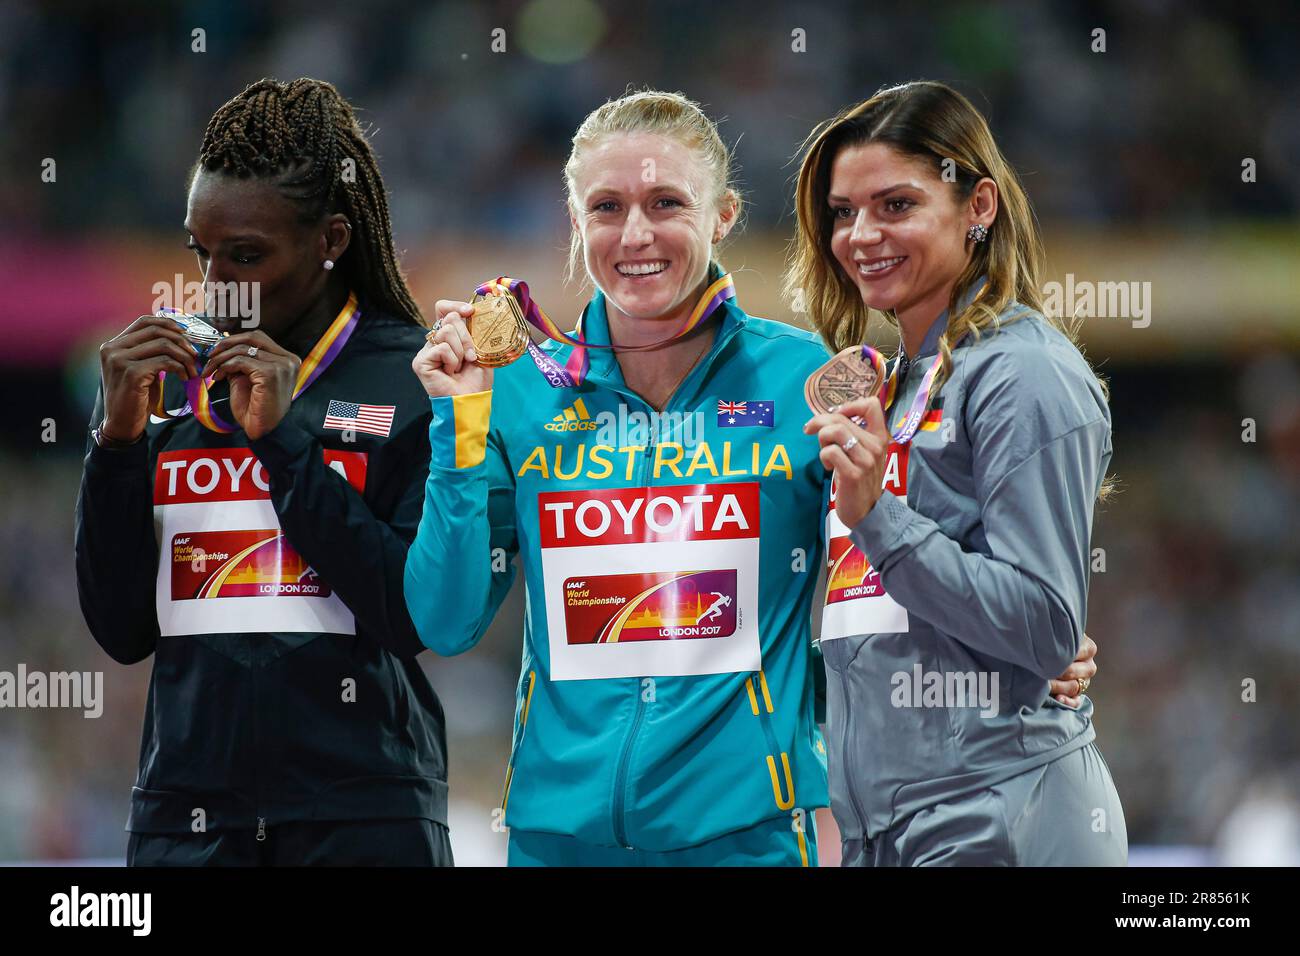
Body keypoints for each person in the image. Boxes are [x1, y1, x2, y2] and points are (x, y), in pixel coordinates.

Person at [404, 88, 1097, 866]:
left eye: (667, 202)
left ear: (724, 215)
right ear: (576, 223)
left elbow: (888, 589)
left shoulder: (811, 382)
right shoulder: (517, 394)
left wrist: (1035, 649)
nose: (637, 233)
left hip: (750, 842)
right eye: (606, 207)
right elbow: (445, 618)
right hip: (555, 840)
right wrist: (457, 427)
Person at [75, 78, 452, 866]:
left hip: (363, 818)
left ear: (333, 239)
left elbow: (411, 617)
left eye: (246, 256)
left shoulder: (416, 378)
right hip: (185, 823)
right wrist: (113, 447)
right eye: (201, 252)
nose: (217, 285)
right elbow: (122, 632)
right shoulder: (176, 384)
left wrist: (285, 444)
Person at [792, 80, 1127, 865]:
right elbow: (871, 619)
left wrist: (879, 514)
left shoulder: (1025, 370)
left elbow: (1045, 625)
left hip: (997, 813)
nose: (861, 235)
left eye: (896, 205)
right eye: (844, 212)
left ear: (978, 205)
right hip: (893, 827)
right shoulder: (893, 382)